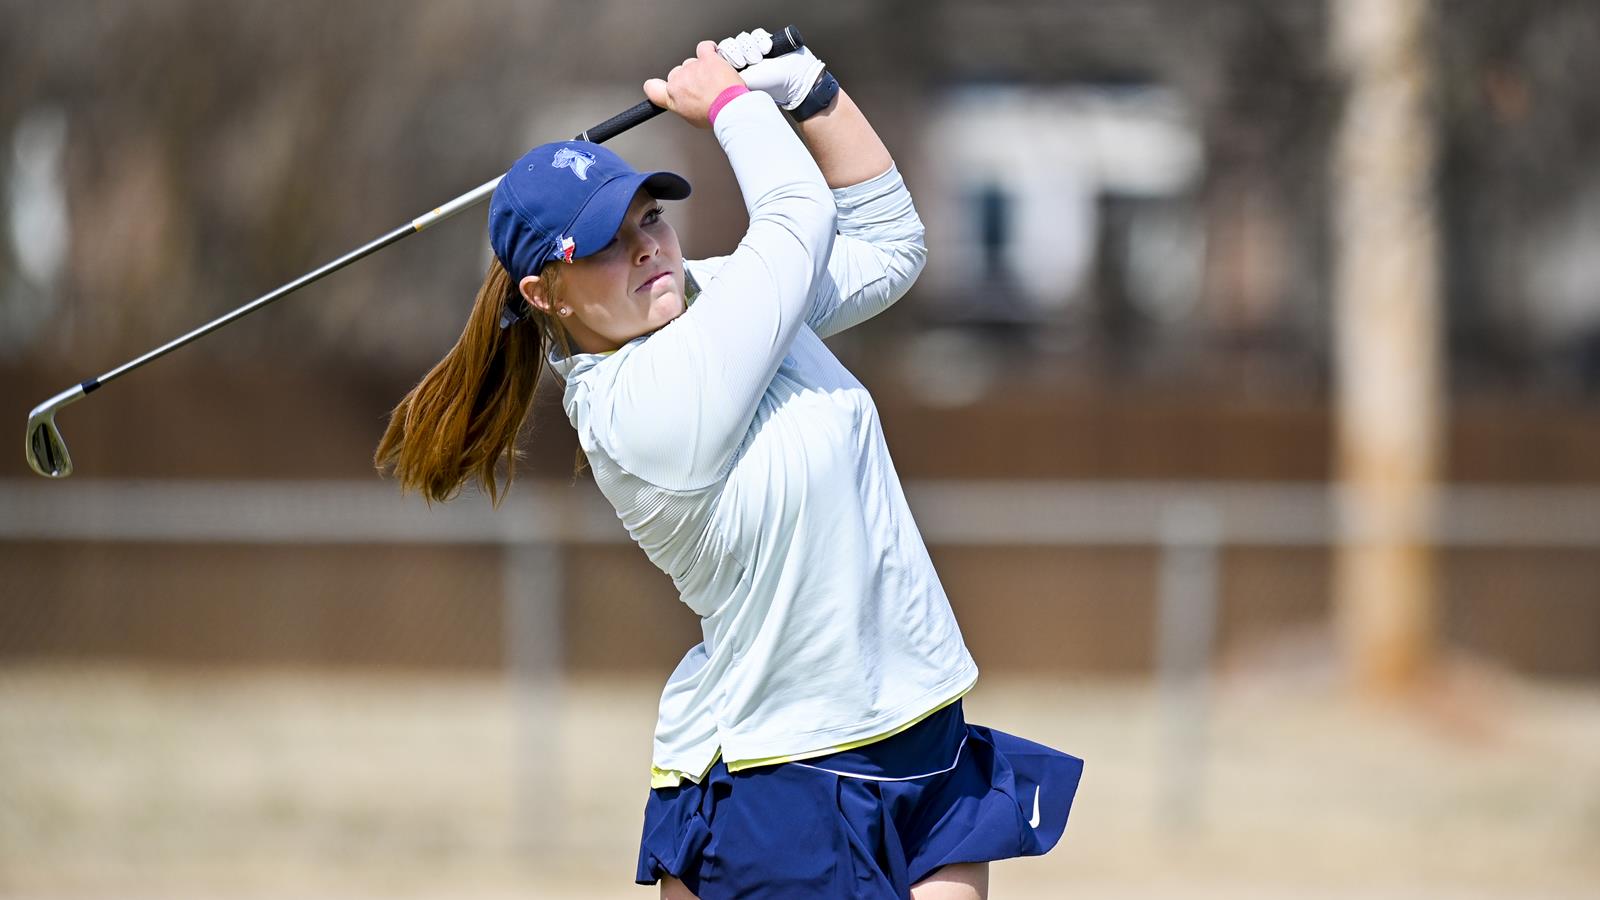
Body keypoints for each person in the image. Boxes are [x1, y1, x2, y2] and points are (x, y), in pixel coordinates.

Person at [375, 30, 1082, 900]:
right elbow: (801, 218)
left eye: (650, 217)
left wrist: (812, 93)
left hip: (912, 724)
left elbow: (889, 245)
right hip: (794, 783)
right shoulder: (640, 403)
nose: (645, 247)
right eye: (601, 244)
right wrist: (735, 109)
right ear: (543, 294)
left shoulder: (713, 299)